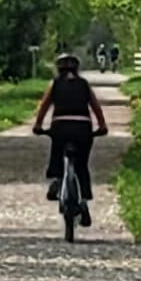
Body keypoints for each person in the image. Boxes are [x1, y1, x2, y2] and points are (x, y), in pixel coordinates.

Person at [33, 50, 109, 206]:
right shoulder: (84, 84)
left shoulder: (55, 83)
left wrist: (38, 125)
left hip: (61, 126)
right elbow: (96, 107)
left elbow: (44, 106)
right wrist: (102, 125)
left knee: (57, 153)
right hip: (83, 127)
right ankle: (85, 200)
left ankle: (56, 179)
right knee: (81, 164)